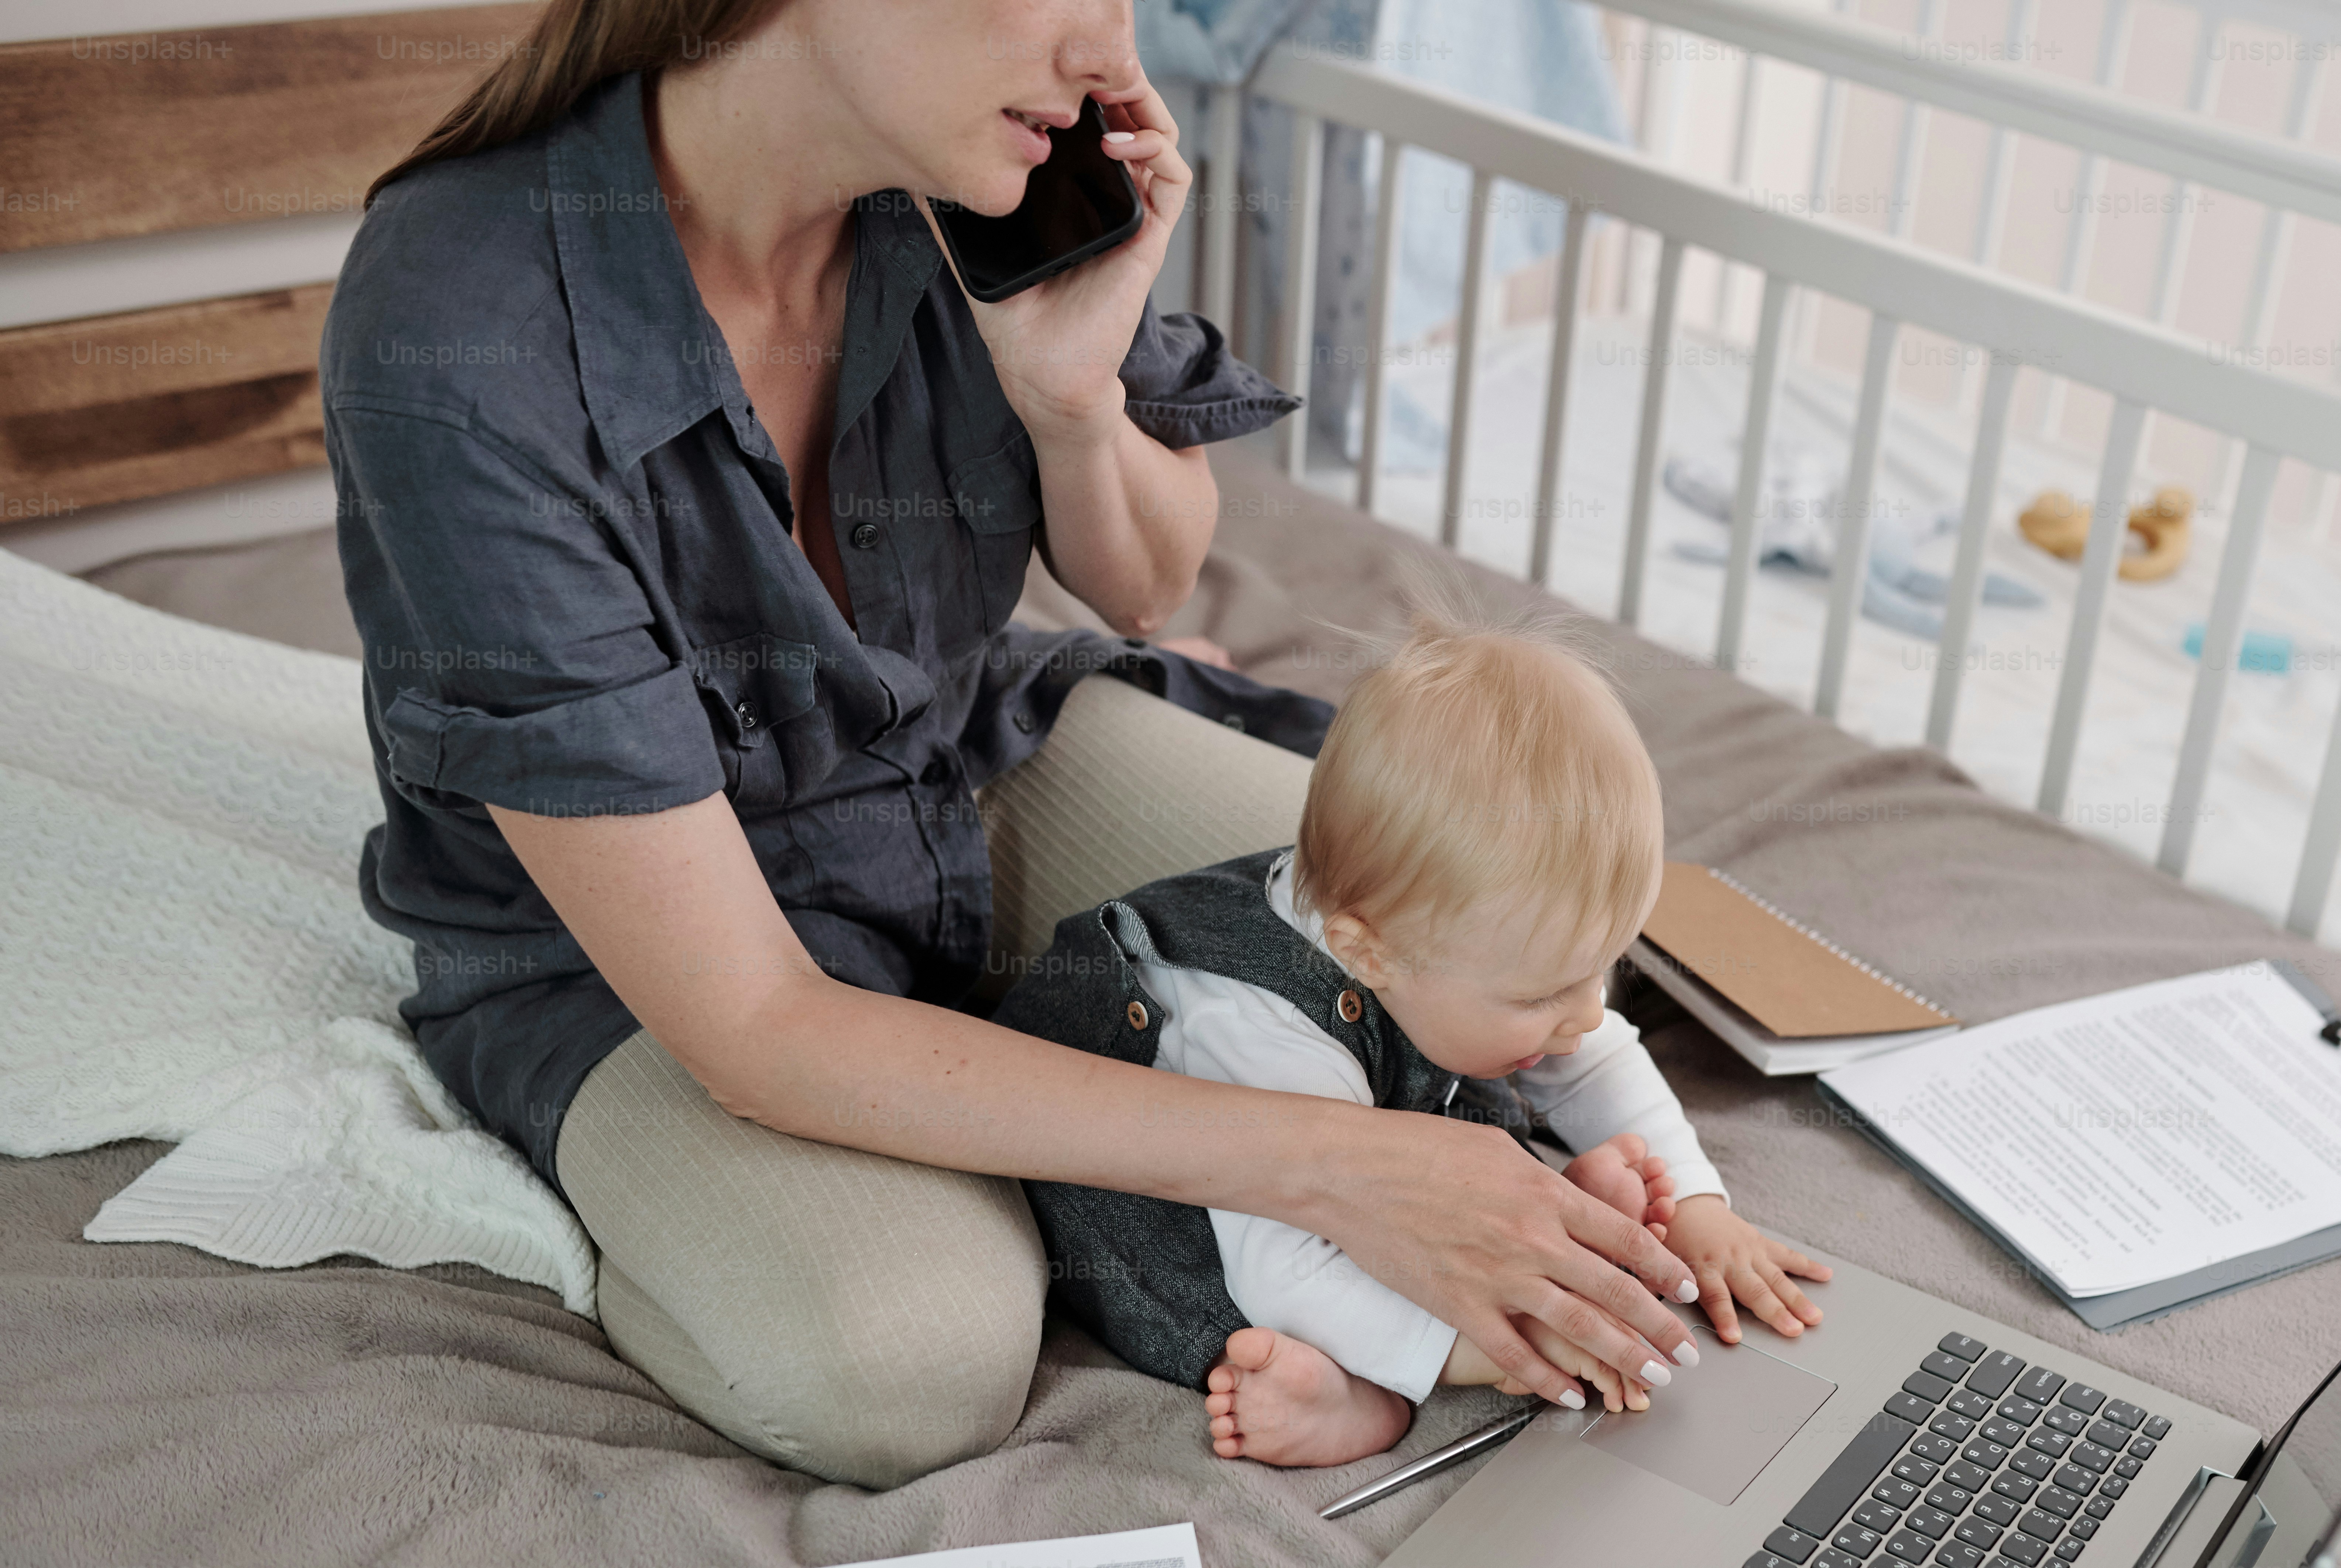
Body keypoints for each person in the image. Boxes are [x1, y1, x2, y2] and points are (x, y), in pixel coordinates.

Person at [323, 0, 1698, 1491]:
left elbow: (1150, 583)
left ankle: (1058, 1071)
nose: (1118, 58)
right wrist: (1331, 1161)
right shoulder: (461, 319)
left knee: (1475, 908)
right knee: (903, 1362)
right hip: (650, 967)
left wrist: (1070, 401)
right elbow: (757, 1021)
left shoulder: (972, 181)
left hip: (957, 764)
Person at [999, 606, 1830, 1466]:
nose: (1589, 1012)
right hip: (1197, 1220)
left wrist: (1697, 1204)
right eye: (1549, 989)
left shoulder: (1428, 931)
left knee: (1471, 1095)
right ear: (1370, 952)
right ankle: (1360, 1397)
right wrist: (1495, 1345)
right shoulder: (1262, 1037)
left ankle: (1563, 1217)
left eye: (1606, 966)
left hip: (1356, 1123)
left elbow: (1598, 1055)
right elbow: (1286, 1274)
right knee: (1265, 1307)